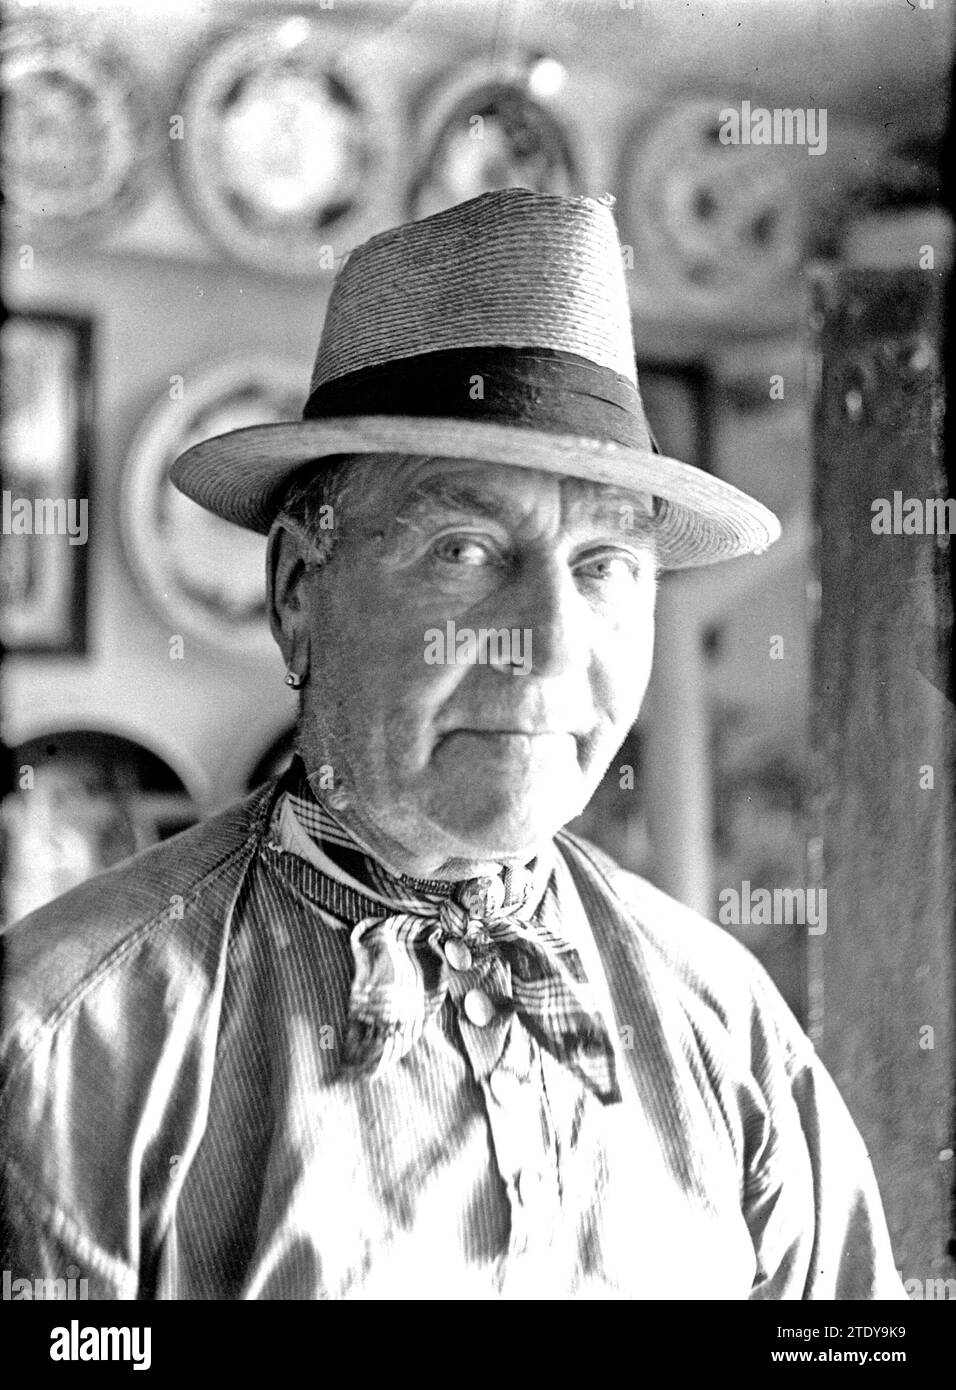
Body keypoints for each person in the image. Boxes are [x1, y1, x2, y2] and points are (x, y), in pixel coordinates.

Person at [0, 189, 904, 1299]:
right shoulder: (68, 1042)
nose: (549, 648)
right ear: (296, 588)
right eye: (466, 548)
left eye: (603, 566)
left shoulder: (725, 1019)